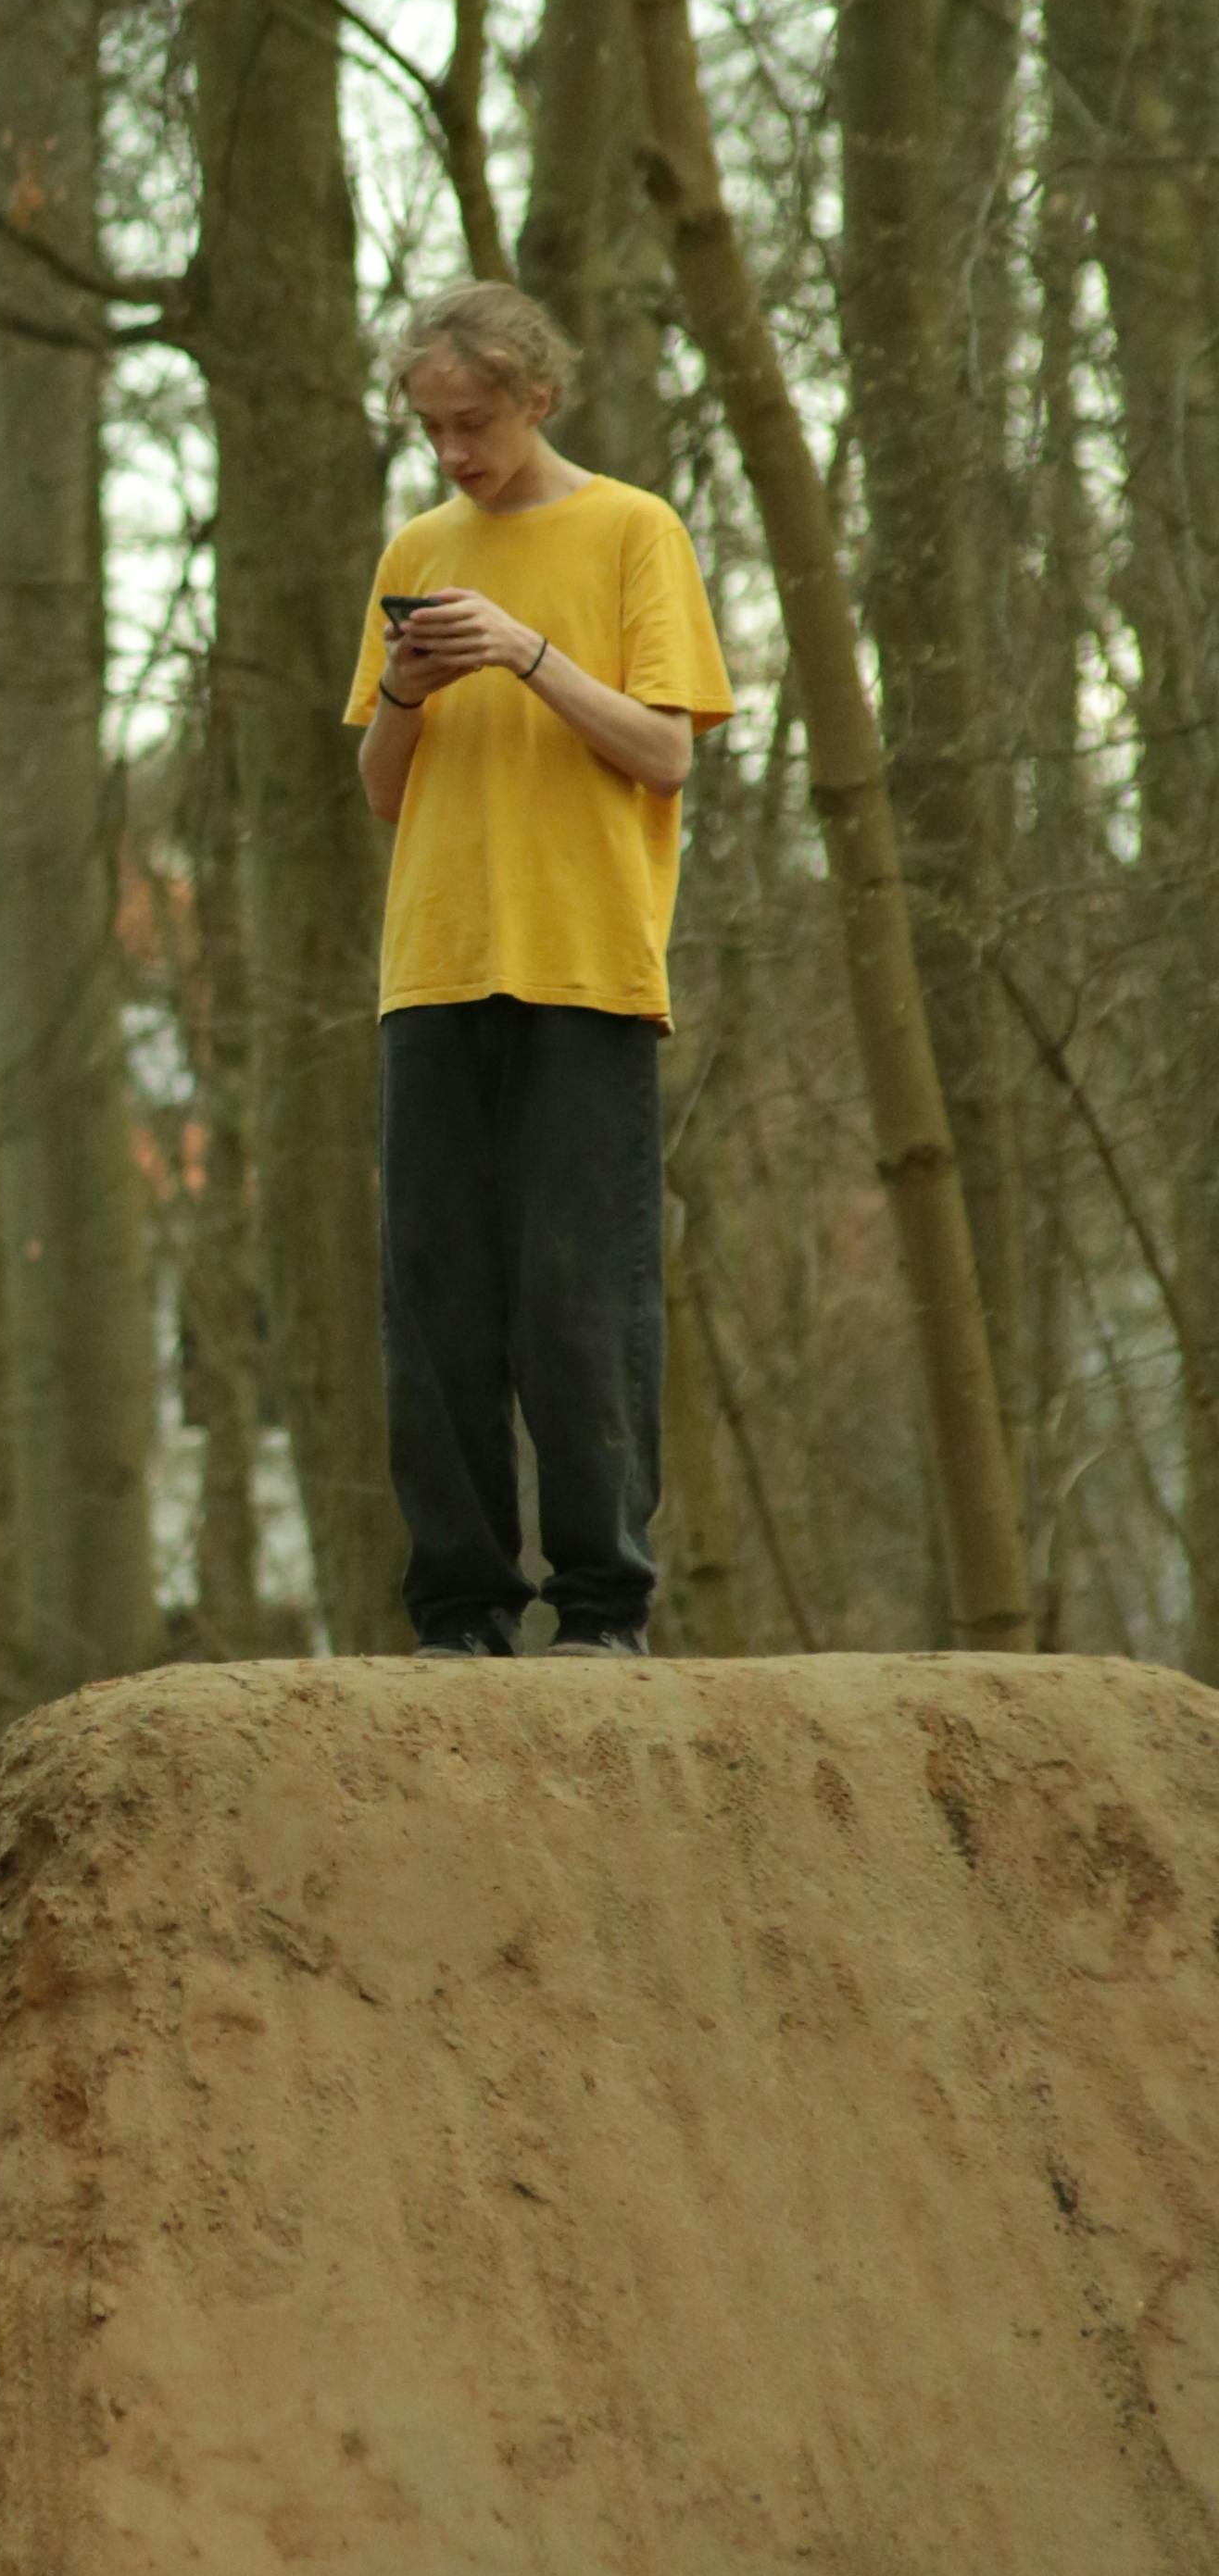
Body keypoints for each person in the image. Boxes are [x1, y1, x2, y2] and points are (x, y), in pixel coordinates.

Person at [344, 279, 734, 1657]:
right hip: (432, 968)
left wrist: (526, 653)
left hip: (585, 964)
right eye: (434, 427)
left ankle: (603, 1607)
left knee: (582, 1295)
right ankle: (458, 1608)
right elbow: (382, 790)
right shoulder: (417, 545)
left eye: (477, 421)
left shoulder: (634, 529)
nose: (456, 452)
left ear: (538, 397)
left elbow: (667, 751)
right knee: (435, 1297)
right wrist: (408, 689)